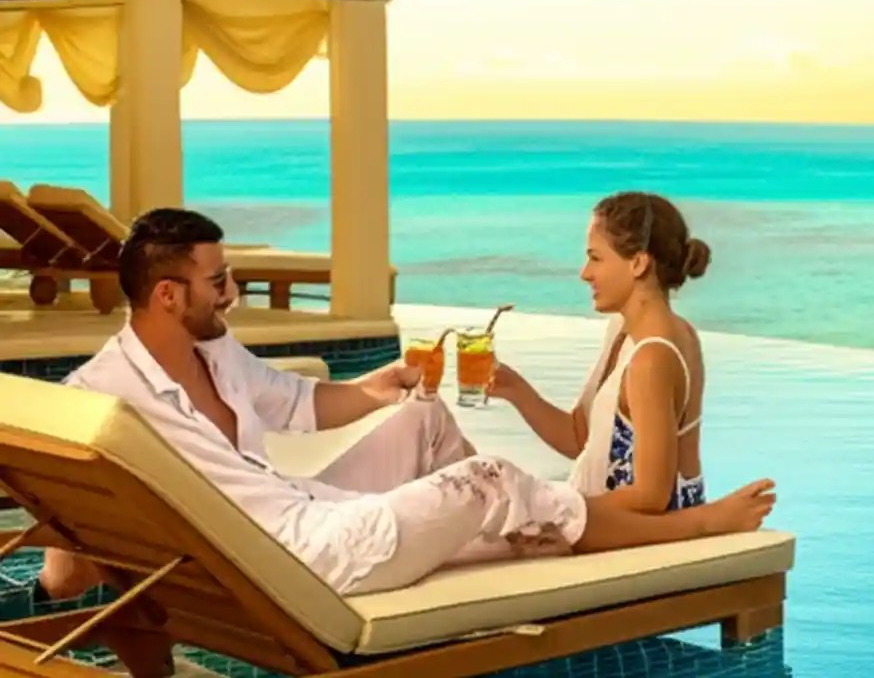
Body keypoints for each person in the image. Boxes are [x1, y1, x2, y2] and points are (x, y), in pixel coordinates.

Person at [37, 208, 774, 600]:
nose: (234, 292)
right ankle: (689, 527)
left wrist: (373, 389)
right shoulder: (102, 396)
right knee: (490, 480)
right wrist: (55, 586)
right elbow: (68, 541)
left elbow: (297, 401)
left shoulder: (213, 351)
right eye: (219, 282)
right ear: (169, 295)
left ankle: (500, 549)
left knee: (423, 420)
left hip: (303, 507)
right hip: (300, 555)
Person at [487, 191, 712, 514]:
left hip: (627, 540)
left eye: (596, 258)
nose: (585, 273)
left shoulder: (653, 357)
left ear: (637, 262)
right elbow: (582, 438)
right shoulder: (623, 331)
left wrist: (556, 511)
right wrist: (516, 390)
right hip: (595, 518)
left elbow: (651, 497)